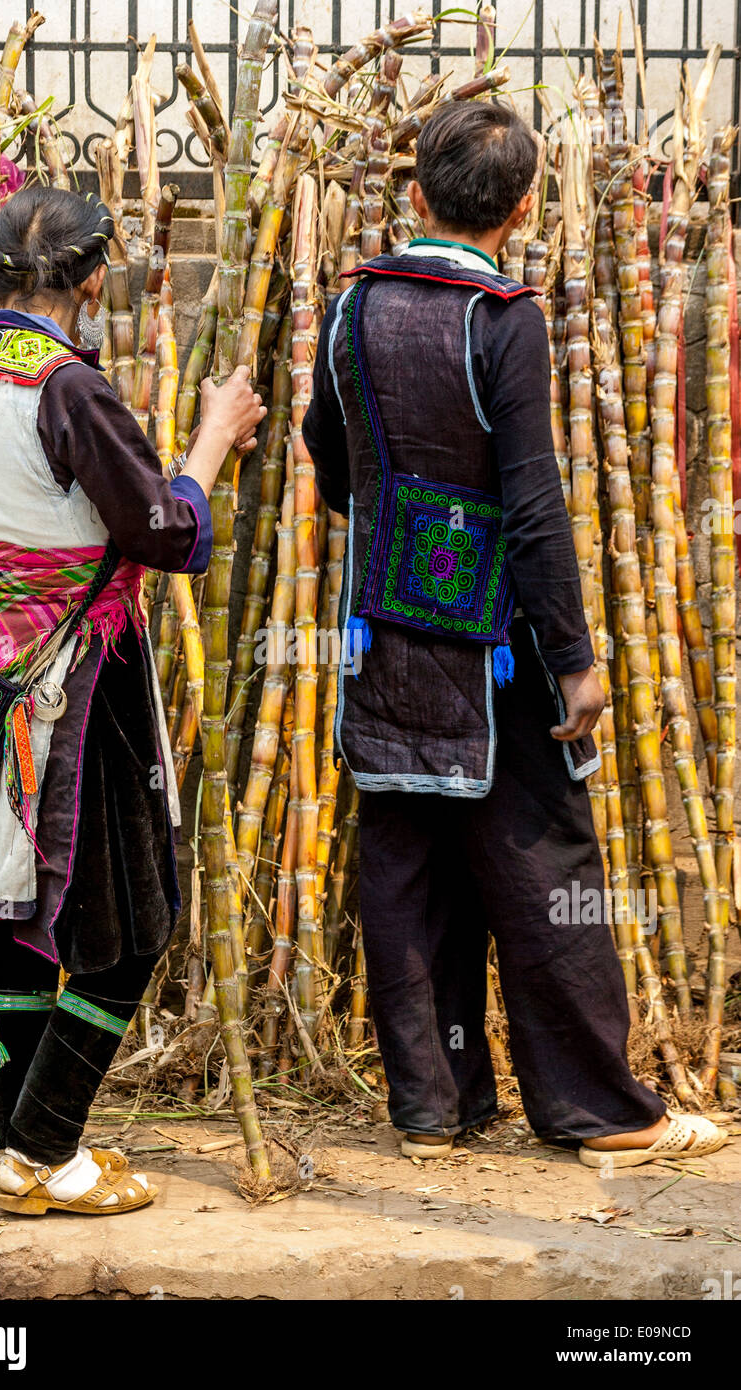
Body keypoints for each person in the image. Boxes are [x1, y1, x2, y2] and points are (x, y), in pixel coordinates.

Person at [302, 101, 725, 1169]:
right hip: (493, 646)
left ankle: (429, 1108)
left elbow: (326, 451)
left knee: (404, 858)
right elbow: (532, 504)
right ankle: (602, 1113)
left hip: (379, 629)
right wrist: (574, 660)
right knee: (547, 867)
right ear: (524, 207)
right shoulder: (502, 315)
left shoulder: (353, 307)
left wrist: (402, 527)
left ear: (414, 194)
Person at [0, 185, 266, 1215]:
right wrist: (213, 437)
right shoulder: (68, 388)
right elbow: (163, 532)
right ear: (90, 282)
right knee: (133, 927)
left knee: (18, 906)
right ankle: (46, 1149)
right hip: (81, 684)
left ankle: (21, 1153)